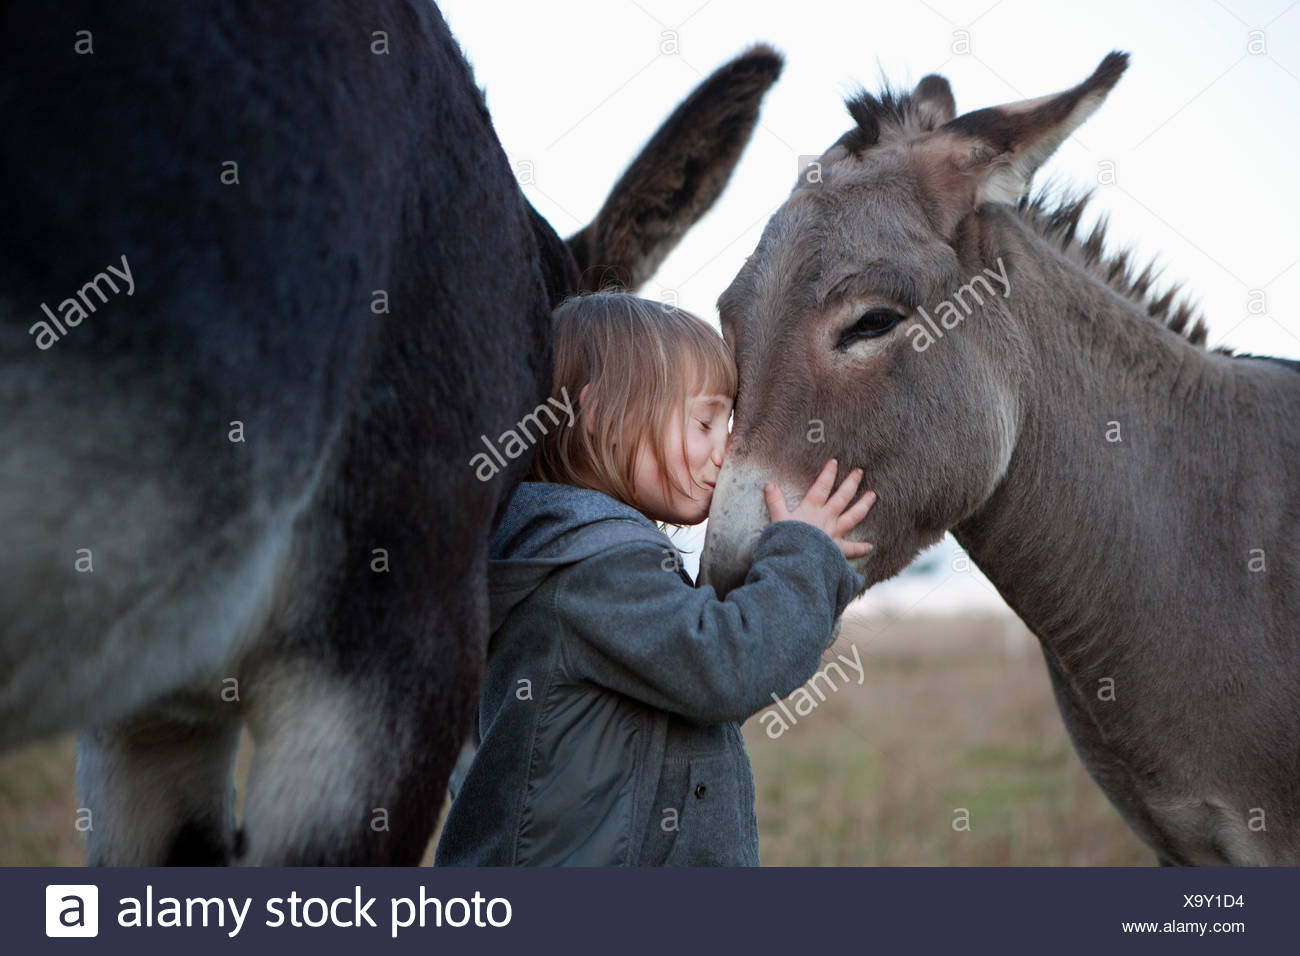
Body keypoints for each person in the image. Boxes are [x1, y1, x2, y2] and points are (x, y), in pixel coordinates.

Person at [435, 291, 875, 866]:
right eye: (704, 422)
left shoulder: (572, 553)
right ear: (596, 417)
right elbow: (730, 668)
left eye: (729, 425)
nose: (726, 452)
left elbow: (692, 692)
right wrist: (805, 555)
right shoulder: (592, 565)